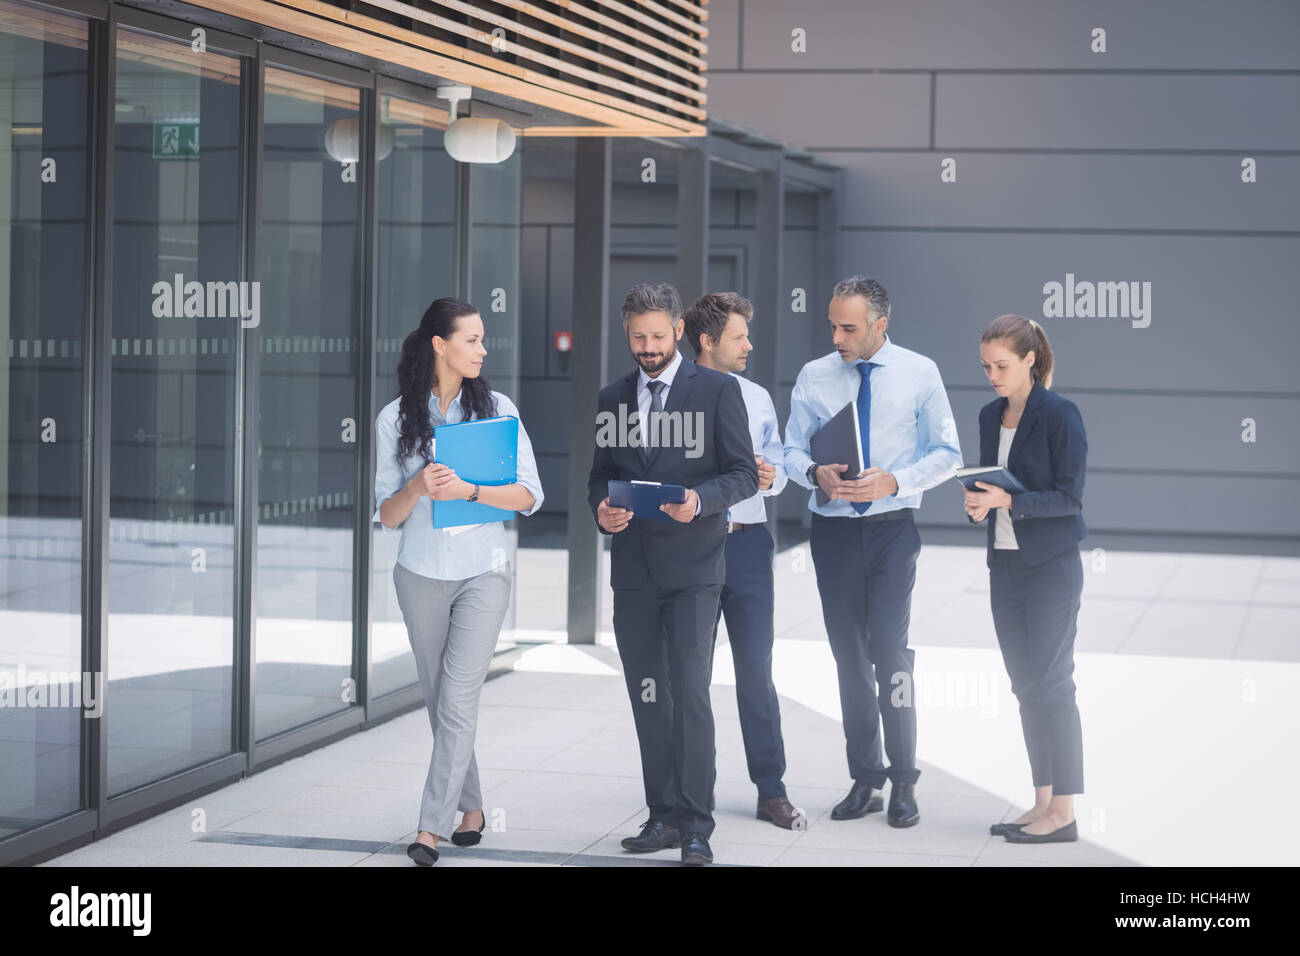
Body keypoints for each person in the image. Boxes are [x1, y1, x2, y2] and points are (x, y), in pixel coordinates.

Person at [588, 281, 758, 865]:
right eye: (638, 336)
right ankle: (660, 815)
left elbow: (743, 474)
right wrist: (602, 512)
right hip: (634, 571)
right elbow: (598, 475)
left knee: (688, 695)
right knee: (648, 695)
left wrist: (700, 500)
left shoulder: (716, 390)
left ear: (680, 332)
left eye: (658, 335)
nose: (648, 346)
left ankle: (695, 825)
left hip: (693, 570)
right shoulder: (613, 396)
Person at [783, 275, 961, 829]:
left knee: (890, 651)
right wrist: (814, 473)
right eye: (833, 324)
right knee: (849, 658)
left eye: (849, 327)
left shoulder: (919, 371)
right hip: (833, 531)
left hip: (891, 528)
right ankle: (866, 777)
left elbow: (948, 453)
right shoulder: (815, 375)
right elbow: (790, 448)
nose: (837, 336)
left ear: (880, 325)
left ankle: (904, 779)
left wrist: (897, 481)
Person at [373, 297, 544, 866]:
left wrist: (469, 491)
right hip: (418, 575)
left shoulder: (497, 408)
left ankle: (430, 828)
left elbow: (528, 497)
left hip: (482, 571)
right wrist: (419, 487)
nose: (482, 349)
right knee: (442, 700)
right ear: (439, 345)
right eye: (471, 339)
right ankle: (471, 807)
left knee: (459, 698)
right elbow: (387, 516)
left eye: (483, 339)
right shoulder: (394, 419)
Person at [963, 314, 1086, 844]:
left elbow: (1069, 498)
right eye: (986, 366)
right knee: (1025, 687)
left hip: (1051, 569)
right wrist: (979, 505)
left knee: (1054, 685)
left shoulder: (1061, 415)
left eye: (1002, 365)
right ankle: (1042, 802)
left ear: (1030, 359)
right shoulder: (991, 415)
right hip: (1006, 564)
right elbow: (993, 483)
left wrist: (1009, 500)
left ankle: (1065, 812)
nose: (992, 375)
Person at [683, 291, 799, 829]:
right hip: (694, 547)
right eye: (739, 336)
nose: (749, 344)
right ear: (708, 342)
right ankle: (690, 796)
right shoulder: (673, 398)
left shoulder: (756, 397)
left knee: (757, 672)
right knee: (690, 676)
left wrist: (771, 474)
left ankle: (771, 790)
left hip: (749, 543)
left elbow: (774, 456)